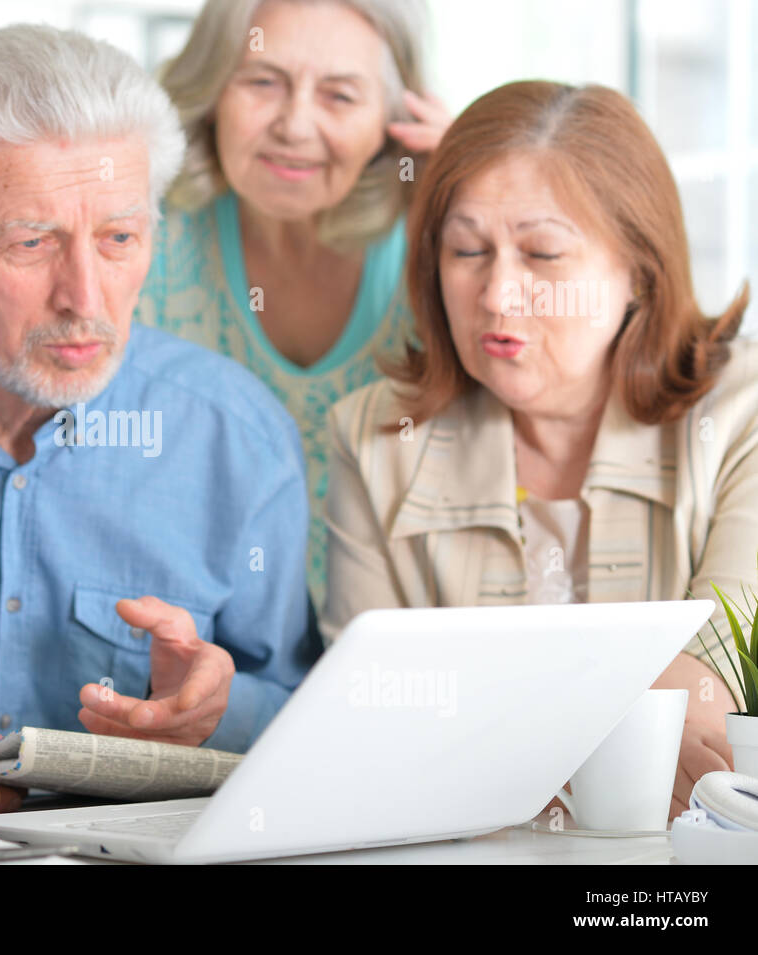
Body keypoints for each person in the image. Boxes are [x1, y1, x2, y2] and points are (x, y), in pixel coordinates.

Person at [0, 24, 318, 813]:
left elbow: (310, 716)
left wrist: (219, 709)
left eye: (118, 238)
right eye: (32, 240)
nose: (83, 296)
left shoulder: (237, 439)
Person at [323, 80, 754, 819]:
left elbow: (709, 701)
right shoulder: (372, 436)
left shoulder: (742, 411)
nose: (496, 295)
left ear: (638, 274)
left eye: (543, 253)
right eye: (466, 250)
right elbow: (371, 726)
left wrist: (490, 733)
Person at [134, 0, 449, 612]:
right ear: (212, 90)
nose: (295, 126)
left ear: (395, 117)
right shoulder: (143, 233)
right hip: (195, 628)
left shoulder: (448, 242)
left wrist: (482, 183)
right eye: (262, 82)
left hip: (399, 639)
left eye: (339, 96)